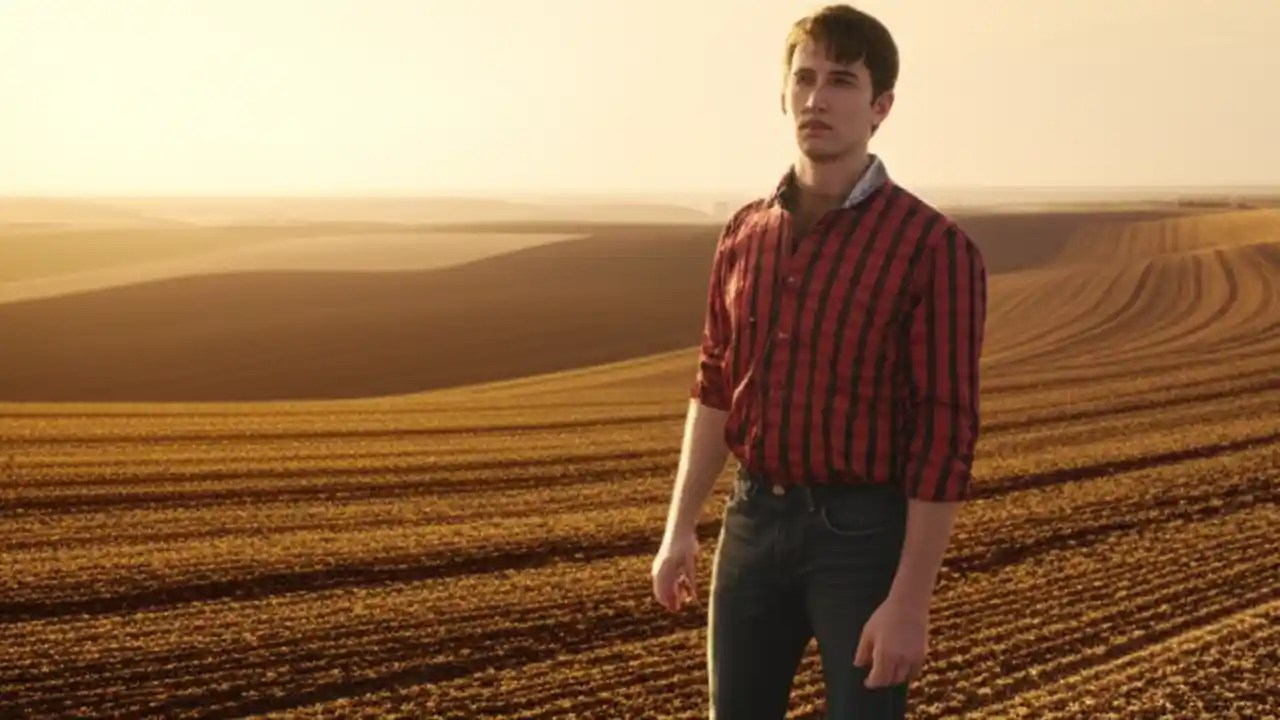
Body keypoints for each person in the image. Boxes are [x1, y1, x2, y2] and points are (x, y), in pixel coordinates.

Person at [650, 4, 989, 718]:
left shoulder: (933, 249)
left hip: (861, 541)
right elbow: (714, 386)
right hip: (750, 526)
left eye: (841, 81)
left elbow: (945, 434)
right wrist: (681, 527)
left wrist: (910, 603)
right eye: (803, 78)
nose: (816, 98)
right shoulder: (745, 235)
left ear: (881, 106)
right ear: (782, 95)